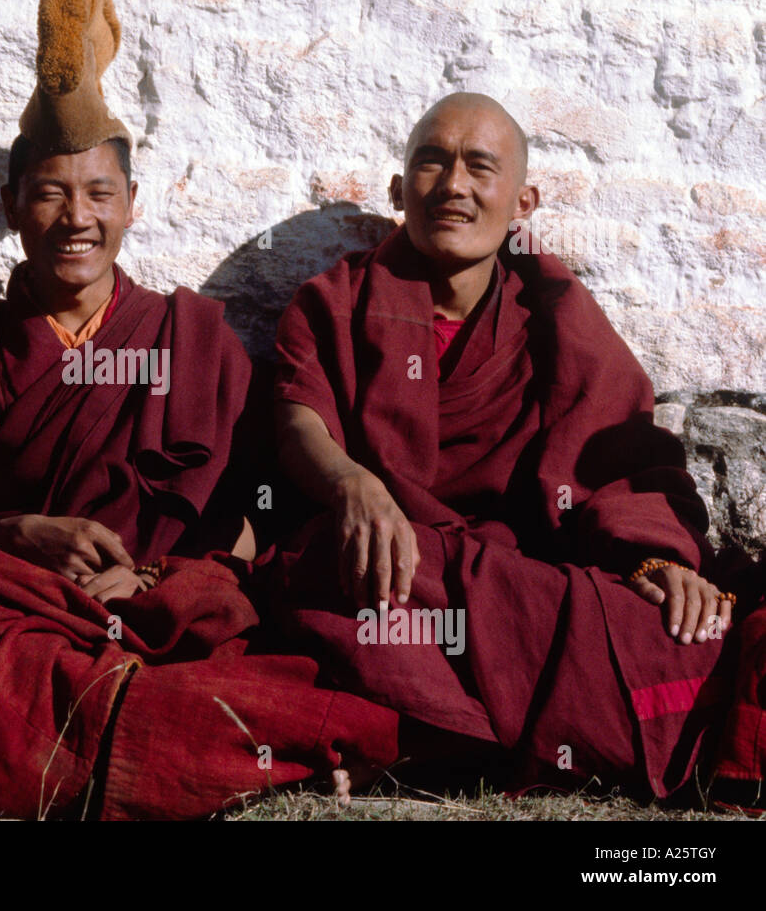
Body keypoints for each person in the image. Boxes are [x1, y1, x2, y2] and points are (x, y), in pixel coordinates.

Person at [0, 0, 400, 819]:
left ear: (133, 203)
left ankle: (103, 728)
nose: (77, 219)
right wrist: (23, 535)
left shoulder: (196, 335)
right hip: (26, 599)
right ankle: (185, 739)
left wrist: (153, 578)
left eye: (99, 193)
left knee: (222, 608)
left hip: (163, 600)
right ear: (10, 206)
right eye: (50, 195)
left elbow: (250, 523)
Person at [263, 91, 761, 798]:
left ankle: (420, 737)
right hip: (399, 564)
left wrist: (653, 557)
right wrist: (352, 484)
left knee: (682, 633)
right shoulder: (336, 301)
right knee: (332, 573)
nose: (455, 186)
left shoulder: (556, 312)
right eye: (432, 163)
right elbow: (297, 418)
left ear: (524, 201)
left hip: (524, 576)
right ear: (400, 190)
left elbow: (617, 458)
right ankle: (482, 737)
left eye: (479, 167)